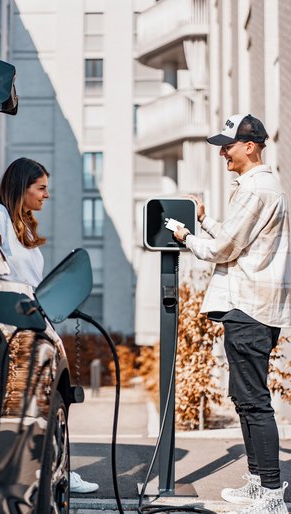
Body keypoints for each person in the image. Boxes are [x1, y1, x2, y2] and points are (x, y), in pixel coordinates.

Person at [173, 114, 290, 514]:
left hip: (249, 307)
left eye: (228, 145)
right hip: (250, 307)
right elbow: (233, 240)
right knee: (244, 398)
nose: (223, 151)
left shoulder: (257, 189)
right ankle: (259, 484)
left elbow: (222, 250)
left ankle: (272, 495)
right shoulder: (258, 188)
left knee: (254, 402)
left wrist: (186, 235)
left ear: (250, 146)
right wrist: (204, 219)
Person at [0, 157, 99, 494]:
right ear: (22, 187)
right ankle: (30, 475)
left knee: (50, 402)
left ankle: (57, 468)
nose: (47, 195)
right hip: (11, 328)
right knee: (25, 406)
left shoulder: (25, 225)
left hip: (34, 323)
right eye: (41, 188)